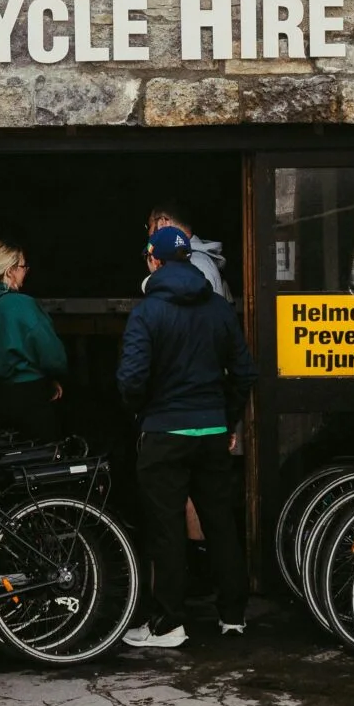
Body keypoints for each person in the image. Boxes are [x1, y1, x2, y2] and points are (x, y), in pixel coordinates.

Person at [117, 220, 257, 648]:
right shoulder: (218, 308)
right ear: (187, 257)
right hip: (212, 430)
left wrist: (143, 414)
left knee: (166, 527)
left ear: (155, 260)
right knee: (220, 523)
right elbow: (244, 372)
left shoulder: (147, 311)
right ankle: (233, 616)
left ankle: (168, 623)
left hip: (165, 432)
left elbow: (131, 378)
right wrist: (226, 418)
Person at [0, 240, 67, 442]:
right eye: (23, 267)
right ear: (10, 271)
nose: (25, 272)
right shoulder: (22, 306)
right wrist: (53, 378)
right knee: (39, 461)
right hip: (28, 399)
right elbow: (53, 357)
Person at [145, 205, 231, 301]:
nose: (148, 233)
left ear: (162, 223)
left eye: (149, 226)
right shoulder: (193, 261)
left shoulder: (196, 264)